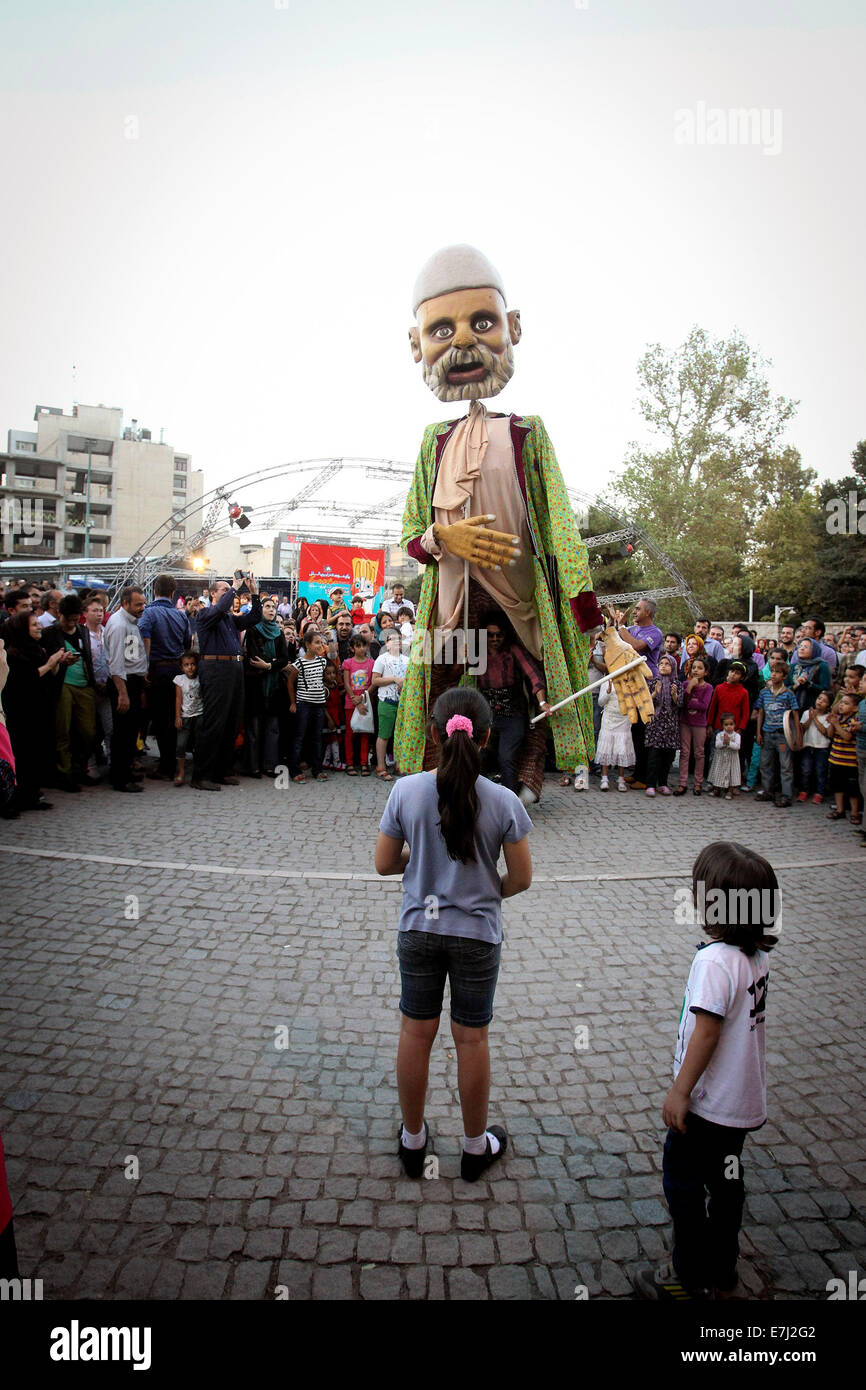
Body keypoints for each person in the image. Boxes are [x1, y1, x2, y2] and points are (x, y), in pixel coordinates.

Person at [395, 244, 604, 798]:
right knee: (439, 682)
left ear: (512, 328)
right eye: (442, 330)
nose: (463, 341)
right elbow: (410, 536)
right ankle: (431, 778)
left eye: (481, 323)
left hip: (521, 595)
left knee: (531, 684)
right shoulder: (432, 441)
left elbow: (561, 528)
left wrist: (591, 616)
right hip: (451, 598)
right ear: (416, 344)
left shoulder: (527, 433)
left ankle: (528, 771)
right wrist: (443, 536)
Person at [375, 686, 533, 1182]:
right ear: (486, 737)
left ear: (432, 735)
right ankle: (473, 1147)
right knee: (471, 1040)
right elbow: (522, 878)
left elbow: (383, 864)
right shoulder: (504, 800)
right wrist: (484, 893)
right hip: (478, 936)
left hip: (419, 928)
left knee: (415, 1033)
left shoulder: (406, 790)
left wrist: (418, 862)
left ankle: (413, 1139)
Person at [633, 841, 778, 1300]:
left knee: (684, 1185)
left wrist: (680, 1092)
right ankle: (722, 1266)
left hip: (707, 1107)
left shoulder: (713, 961)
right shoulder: (756, 956)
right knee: (729, 1184)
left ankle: (687, 1276)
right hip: (739, 1105)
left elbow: (707, 1033)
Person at [192, 573, 262, 791]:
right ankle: (201, 775)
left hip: (234, 669)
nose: (229, 594)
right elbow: (220, 608)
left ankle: (221, 770)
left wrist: (254, 594)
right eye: (223, 590)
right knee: (214, 722)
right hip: (216, 670)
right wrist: (234, 586)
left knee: (231, 722)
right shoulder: (205, 615)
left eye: (228, 591)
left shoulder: (231, 619)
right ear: (213, 594)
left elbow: (254, 619)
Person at [476, 610, 551, 798]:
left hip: (513, 716)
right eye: (490, 635)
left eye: (498, 634)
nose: (494, 639)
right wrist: (463, 655)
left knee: (507, 757)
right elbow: (456, 672)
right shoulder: (477, 652)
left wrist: (542, 702)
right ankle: (479, 799)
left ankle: (511, 803)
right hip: (487, 717)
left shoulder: (514, 651)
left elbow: (534, 676)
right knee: (479, 756)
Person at [1, 610, 64, 812]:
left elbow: (47, 676)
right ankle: (18, 797)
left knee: (37, 753)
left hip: (40, 708)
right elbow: (26, 679)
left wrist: (57, 663)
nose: (39, 627)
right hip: (22, 712)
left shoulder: (37, 649)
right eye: (34, 624)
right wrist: (51, 663)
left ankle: (33, 794)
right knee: (24, 754)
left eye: (39, 623)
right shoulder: (14, 653)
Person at [138, 574, 192, 781]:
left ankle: (167, 765)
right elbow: (188, 642)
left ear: (154, 591)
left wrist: (144, 668)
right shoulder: (181, 616)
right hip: (176, 672)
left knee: (161, 720)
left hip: (157, 671)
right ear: (172, 593)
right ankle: (174, 761)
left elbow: (144, 637)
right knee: (174, 718)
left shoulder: (149, 614)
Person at [42, 594, 98, 791]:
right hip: (62, 684)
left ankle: (79, 768)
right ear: (60, 614)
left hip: (84, 684)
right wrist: (59, 660)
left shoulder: (82, 630)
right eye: (69, 619)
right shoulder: (50, 633)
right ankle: (64, 773)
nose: (71, 623)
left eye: (75, 619)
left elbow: (87, 657)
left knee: (88, 732)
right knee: (62, 730)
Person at [611, 598, 664, 789]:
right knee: (635, 731)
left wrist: (622, 626)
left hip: (647, 685)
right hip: (630, 685)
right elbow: (614, 639)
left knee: (645, 732)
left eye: (638, 609)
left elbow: (636, 646)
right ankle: (637, 772)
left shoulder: (655, 633)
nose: (634, 611)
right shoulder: (631, 629)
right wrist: (614, 622)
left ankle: (646, 777)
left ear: (648, 612)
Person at [104, 586, 148, 794]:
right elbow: (116, 663)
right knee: (123, 732)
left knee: (131, 732)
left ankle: (126, 771)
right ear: (125, 603)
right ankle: (120, 778)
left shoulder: (131, 622)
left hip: (134, 681)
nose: (143, 607)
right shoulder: (119, 625)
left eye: (143, 603)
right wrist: (122, 692)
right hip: (124, 683)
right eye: (138, 604)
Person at [243, 597, 289, 777]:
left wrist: (270, 666)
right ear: (261, 609)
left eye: (273, 607)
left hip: (275, 686)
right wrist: (274, 663)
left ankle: (270, 765)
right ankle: (253, 766)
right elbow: (254, 658)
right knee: (254, 728)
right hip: (256, 685)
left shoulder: (279, 632)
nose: (271, 610)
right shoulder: (253, 630)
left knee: (273, 728)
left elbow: (285, 659)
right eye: (267, 606)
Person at [754, 660, 800, 808]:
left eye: (778, 672)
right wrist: (758, 732)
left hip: (783, 735)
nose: (774, 675)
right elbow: (761, 712)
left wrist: (797, 734)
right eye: (772, 671)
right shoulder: (764, 692)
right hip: (767, 732)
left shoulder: (788, 694)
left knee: (785, 766)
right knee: (765, 764)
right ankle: (768, 791)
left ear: (785, 676)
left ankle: (786, 795)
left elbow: (794, 714)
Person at [287, 628, 329, 783]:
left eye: (321, 642)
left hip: (319, 704)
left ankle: (317, 769)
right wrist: (293, 702)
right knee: (299, 736)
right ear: (308, 644)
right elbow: (290, 682)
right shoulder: (299, 663)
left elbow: (322, 679)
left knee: (317, 737)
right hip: (304, 704)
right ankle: (294, 769)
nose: (320, 645)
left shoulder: (322, 661)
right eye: (317, 642)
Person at [371, 629, 408, 780]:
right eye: (392, 639)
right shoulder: (381, 659)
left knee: (401, 735)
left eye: (398, 639)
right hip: (387, 701)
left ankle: (399, 765)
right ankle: (381, 766)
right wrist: (394, 679)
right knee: (384, 735)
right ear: (386, 643)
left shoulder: (407, 660)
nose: (396, 642)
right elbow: (375, 680)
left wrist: (403, 684)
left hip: (403, 702)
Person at [674, 657, 713, 796]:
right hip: (685, 722)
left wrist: (692, 700)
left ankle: (698, 783)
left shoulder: (708, 687)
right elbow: (682, 702)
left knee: (699, 753)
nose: (696, 670)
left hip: (699, 724)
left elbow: (704, 706)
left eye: (700, 668)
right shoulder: (685, 684)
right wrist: (689, 687)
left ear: (706, 672)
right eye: (694, 667)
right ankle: (682, 782)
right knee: (684, 752)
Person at [83, 594, 112, 767]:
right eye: (94, 610)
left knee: (110, 728)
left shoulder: (107, 631)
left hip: (107, 687)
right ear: (85, 613)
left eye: (101, 610)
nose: (99, 614)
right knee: (89, 730)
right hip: (89, 688)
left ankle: (111, 762)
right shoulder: (82, 634)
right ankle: (90, 764)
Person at [645, 653, 680, 796]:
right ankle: (650, 784)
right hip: (656, 725)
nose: (664, 666)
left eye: (667, 664)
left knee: (667, 757)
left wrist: (674, 695)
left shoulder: (676, 684)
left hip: (670, 725)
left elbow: (680, 704)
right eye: (661, 664)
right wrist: (655, 693)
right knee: (654, 756)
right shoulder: (654, 682)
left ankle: (663, 783)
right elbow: (646, 703)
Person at [825, 693, 861, 825]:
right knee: (837, 786)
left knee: (852, 789)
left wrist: (836, 724)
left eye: (846, 703)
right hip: (835, 759)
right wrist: (832, 723)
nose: (841, 705)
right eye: (841, 702)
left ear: (855, 708)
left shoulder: (854, 720)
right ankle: (840, 810)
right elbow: (829, 734)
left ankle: (855, 812)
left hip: (850, 761)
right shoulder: (838, 718)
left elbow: (847, 736)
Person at [342, 632, 375, 775]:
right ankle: (349, 763)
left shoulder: (371, 663)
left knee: (365, 733)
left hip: (366, 702)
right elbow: (347, 683)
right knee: (350, 733)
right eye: (358, 646)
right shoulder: (348, 663)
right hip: (351, 702)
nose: (361, 649)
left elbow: (373, 683)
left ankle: (363, 763)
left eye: (363, 646)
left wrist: (361, 698)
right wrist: (355, 700)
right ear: (352, 648)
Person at [595, 676, 634, 792]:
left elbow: (634, 702)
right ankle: (604, 778)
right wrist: (607, 692)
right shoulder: (607, 681)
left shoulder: (629, 681)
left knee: (622, 748)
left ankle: (621, 779)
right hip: (609, 718)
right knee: (607, 747)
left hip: (623, 719)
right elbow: (601, 702)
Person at [173, 650, 202, 786]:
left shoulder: (201, 678)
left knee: (198, 745)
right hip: (185, 716)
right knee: (181, 745)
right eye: (186, 665)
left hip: (199, 715)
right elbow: (178, 699)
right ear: (182, 667)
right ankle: (181, 772)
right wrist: (177, 716)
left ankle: (198, 773)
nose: (190, 667)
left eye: (192, 664)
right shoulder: (180, 680)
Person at [798, 691, 832, 805]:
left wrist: (815, 719)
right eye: (819, 698)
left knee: (820, 771)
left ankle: (819, 793)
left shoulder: (828, 717)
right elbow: (802, 728)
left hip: (821, 747)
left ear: (828, 705)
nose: (820, 701)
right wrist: (810, 718)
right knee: (805, 770)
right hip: (808, 745)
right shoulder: (807, 713)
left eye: (824, 701)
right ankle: (804, 790)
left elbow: (825, 732)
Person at [789, 638, 830, 712]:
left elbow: (825, 689)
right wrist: (796, 685)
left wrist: (808, 684)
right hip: (792, 708)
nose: (801, 649)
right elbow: (785, 687)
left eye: (806, 647)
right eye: (800, 646)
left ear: (814, 650)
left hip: (812, 708)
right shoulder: (793, 666)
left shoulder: (822, 666)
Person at [707, 716, 742, 799]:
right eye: (726, 724)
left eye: (731, 724)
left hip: (732, 760)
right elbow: (717, 745)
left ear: (735, 725)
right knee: (718, 774)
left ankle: (730, 790)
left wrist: (729, 742)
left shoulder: (737, 736)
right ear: (722, 725)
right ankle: (717, 789)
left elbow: (737, 746)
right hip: (721, 758)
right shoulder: (719, 735)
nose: (729, 726)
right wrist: (724, 742)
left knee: (731, 775)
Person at [321, 661, 345, 771]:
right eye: (328, 673)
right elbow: (324, 706)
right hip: (330, 717)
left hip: (337, 715)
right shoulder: (325, 689)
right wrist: (329, 719)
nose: (332, 676)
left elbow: (337, 695)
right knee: (334, 741)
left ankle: (326, 761)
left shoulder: (335, 685)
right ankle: (337, 762)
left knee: (331, 741)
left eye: (333, 673)